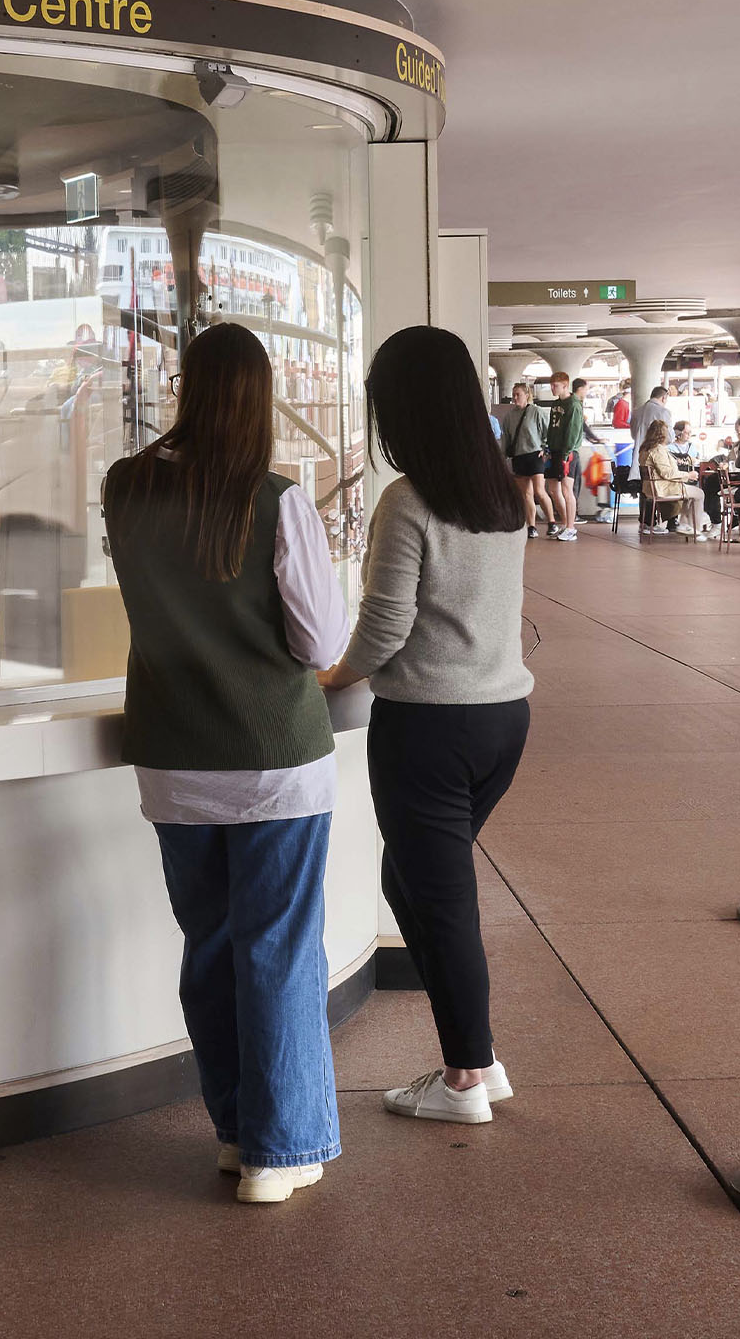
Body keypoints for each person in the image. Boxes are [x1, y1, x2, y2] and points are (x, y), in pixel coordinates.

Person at [104, 322, 345, 1205]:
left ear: (185, 388)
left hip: (172, 759)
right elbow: (320, 640)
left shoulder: (125, 487)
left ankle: (238, 1130)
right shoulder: (277, 499)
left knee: (209, 947)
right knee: (278, 953)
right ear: (260, 396)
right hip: (273, 760)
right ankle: (283, 1152)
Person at [317, 327, 531, 1125]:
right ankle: (477, 1059)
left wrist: (335, 677)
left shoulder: (408, 501)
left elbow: (385, 624)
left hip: (428, 729)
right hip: (503, 718)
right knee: (408, 882)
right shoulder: (502, 494)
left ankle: (466, 1075)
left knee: (439, 901)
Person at [529, 375, 589, 541]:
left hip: (567, 453)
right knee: (554, 489)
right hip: (553, 451)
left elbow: (573, 431)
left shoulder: (574, 405)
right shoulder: (556, 404)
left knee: (566, 490)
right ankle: (565, 523)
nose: (552, 389)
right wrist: (546, 446)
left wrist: (567, 452)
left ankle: (571, 527)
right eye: (552, 385)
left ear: (565, 386)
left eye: (555, 386)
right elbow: (552, 427)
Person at [635, 419, 711, 539]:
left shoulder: (644, 449)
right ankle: (695, 529)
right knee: (699, 493)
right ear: (663, 434)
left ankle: (685, 525)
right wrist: (688, 475)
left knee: (690, 495)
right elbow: (667, 473)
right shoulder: (658, 450)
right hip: (663, 488)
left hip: (650, 488)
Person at [497, 381, 550, 533]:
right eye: (513, 395)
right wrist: (503, 456)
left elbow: (548, 432)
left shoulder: (537, 412)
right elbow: (506, 438)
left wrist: (545, 449)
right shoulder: (509, 417)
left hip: (535, 455)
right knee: (526, 494)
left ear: (527, 395)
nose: (515, 398)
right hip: (519, 457)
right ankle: (531, 526)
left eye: (518, 394)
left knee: (539, 491)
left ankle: (551, 522)